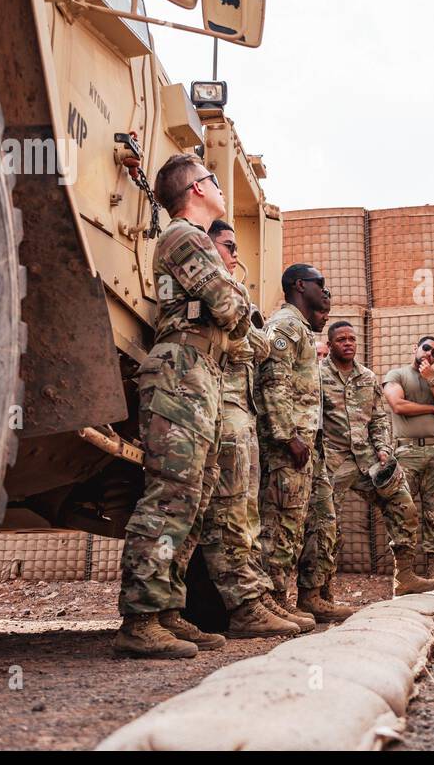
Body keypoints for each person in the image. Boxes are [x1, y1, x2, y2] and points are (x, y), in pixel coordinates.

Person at [115, 153, 251, 659]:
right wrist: (234, 295)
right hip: (181, 369)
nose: (220, 188)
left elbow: (236, 322)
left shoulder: (194, 240)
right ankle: (140, 617)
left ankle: (168, 609)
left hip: (202, 372)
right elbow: (232, 310)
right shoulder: (185, 237)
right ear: (196, 189)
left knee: (194, 496)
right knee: (171, 494)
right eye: (213, 180)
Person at [178, 219, 297, 637]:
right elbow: (245, 339)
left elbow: (259, 344)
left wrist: (246, 328)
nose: (234, 255)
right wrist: (246, 328)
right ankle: (242, 604)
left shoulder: (233, 293)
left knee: (244, 513)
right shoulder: (206, 286)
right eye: (227, 246)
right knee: (228, 514)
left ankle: (255, 596)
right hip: (220, 408)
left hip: (237, 409)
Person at [313, 320, 434, 608]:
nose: (348, 343)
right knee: (325, 526)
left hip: (368, 460)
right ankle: (319, 594)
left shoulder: (367, 377)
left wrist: (384, 449)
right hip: (331, 460)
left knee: (403, 503)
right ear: (331, 344)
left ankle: (405, 577)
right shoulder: (317, 376)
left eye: (352, 339)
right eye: (341, 340)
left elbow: (378, 419)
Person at [254, 263, 332, 631]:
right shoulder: (284, 325)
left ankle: (280, 599)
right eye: (320, 284)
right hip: (288, 444)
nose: (326, 291)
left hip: (303, 442)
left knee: (293, 523)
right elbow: (272, 381)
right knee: (279, 521)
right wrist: (288, 436)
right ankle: (269, 599)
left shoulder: (299, 327)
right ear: (300, 285)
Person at [382, 336, 434, 582]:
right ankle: (405, 571)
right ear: (415, 348)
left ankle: (433, 568)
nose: (429, 355)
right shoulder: (398, 374)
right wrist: (431, 409)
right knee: (404, 510)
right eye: (426, 348)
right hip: (406, 452)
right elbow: (398, 405)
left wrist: (431, 379)